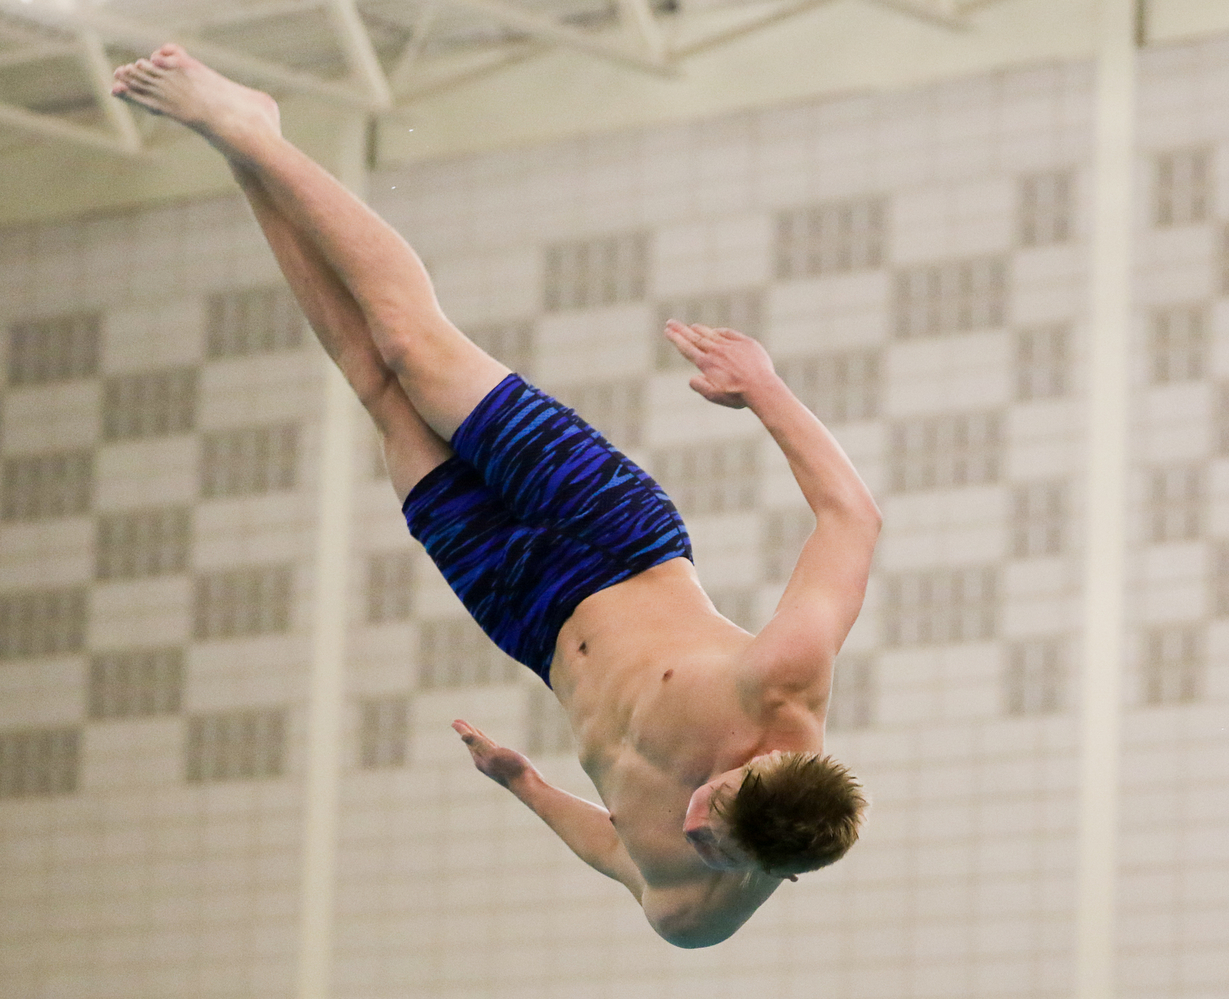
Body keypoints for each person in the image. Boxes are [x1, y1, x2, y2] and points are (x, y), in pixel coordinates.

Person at [112, 45, 882, 948]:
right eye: (716, 798)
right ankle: (255, 132)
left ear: (763, 871)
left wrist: (527, 786)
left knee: (375, 388)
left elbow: (621, 853)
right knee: (408, 343)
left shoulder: (693, 909)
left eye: (711, 841)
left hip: (525, 616)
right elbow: (852, 516)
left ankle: (243, 149)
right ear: (771, 760)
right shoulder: (783, 681)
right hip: (612, 535)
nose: (692, 821)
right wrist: (763, 388)